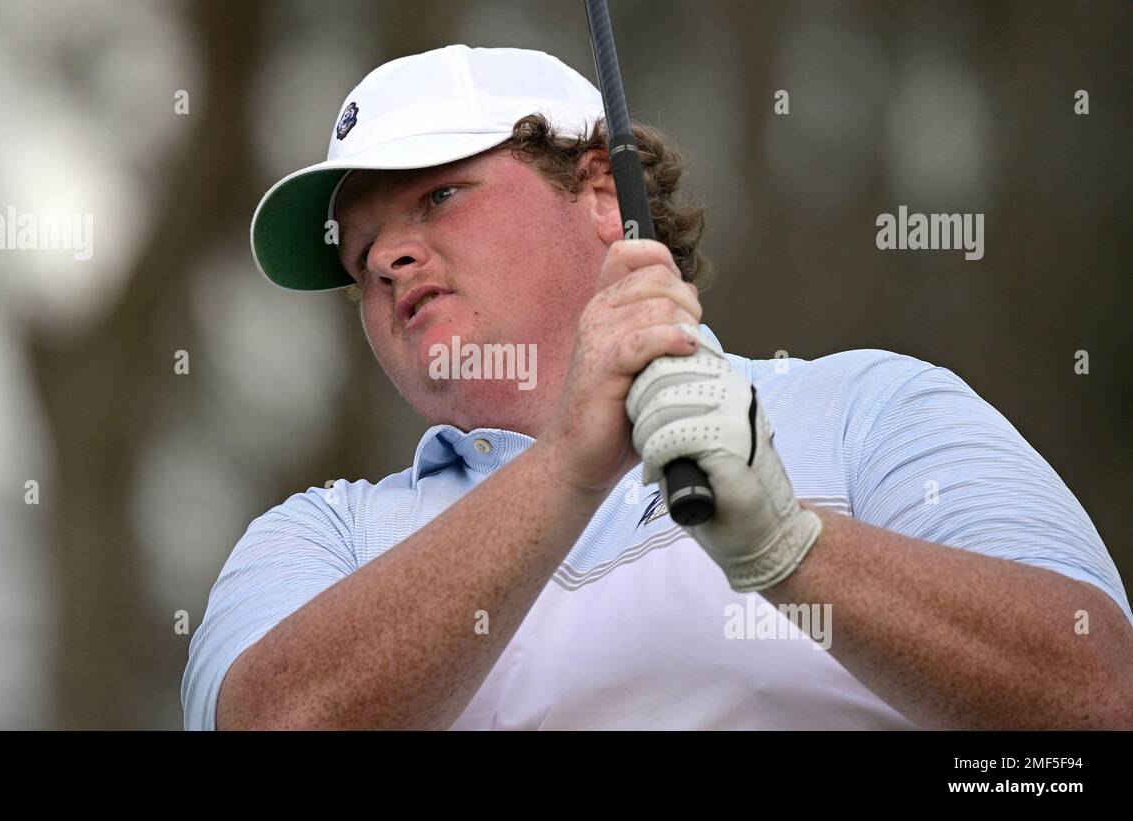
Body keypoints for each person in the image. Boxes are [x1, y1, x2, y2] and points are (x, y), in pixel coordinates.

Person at [182, 44, 1133, 730]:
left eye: (438, 196)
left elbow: (1099, 697)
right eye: (358, 257)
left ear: (601, 191)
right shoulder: (322, 539)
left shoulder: (870, 409)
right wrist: (566, 465)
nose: (386, 258)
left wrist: (790, 549)